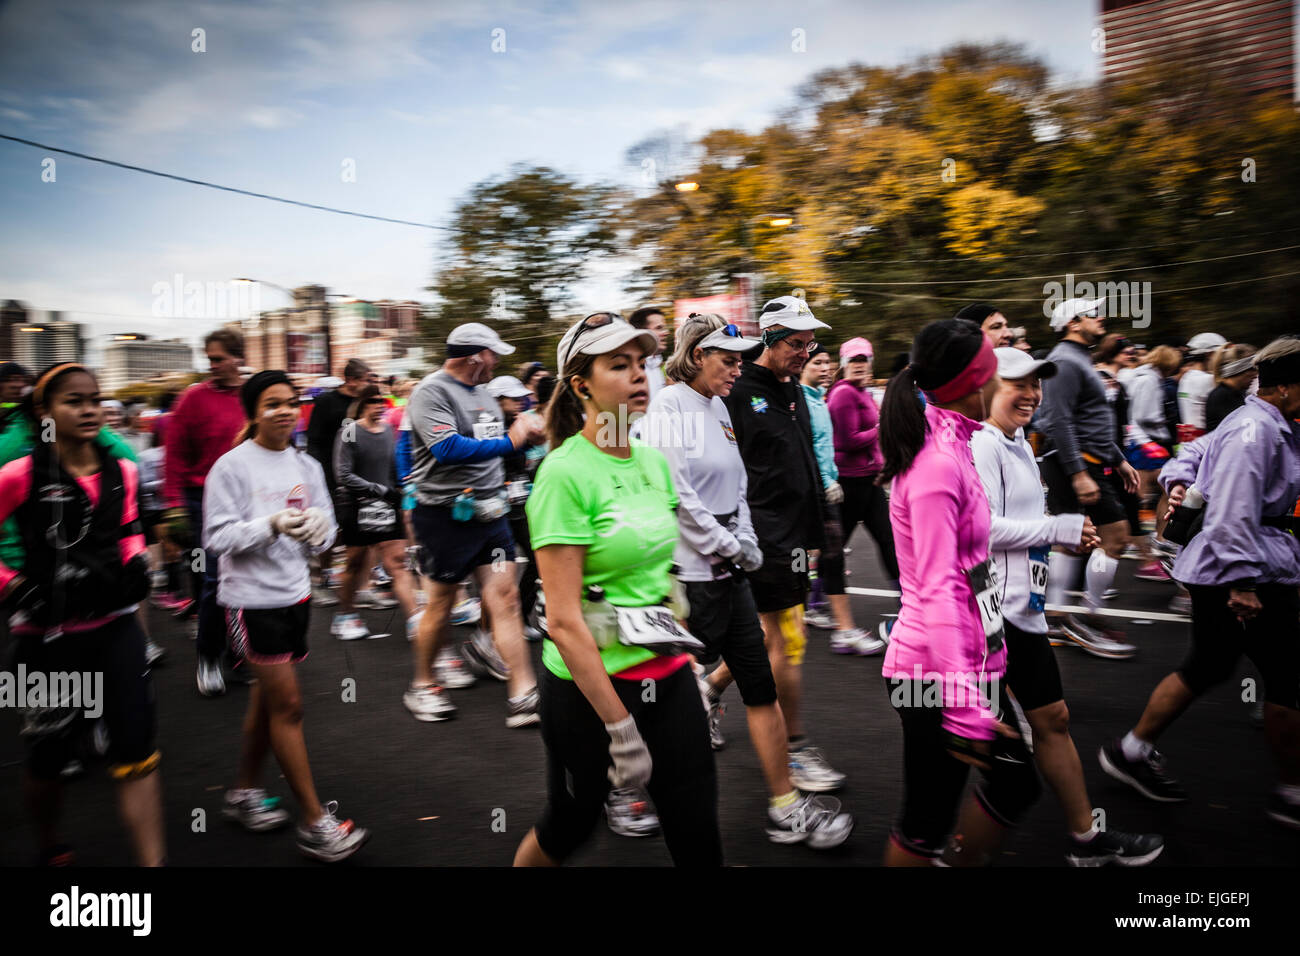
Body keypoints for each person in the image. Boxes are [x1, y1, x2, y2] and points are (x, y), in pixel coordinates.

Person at [513, 313, 722, 866]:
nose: (638, 377)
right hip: (590, 692)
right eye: (618, 365)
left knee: (698, 829)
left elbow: (661, 580)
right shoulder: (563, 474)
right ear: (581, 384)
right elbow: (561, 620)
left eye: (640, 364)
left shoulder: (654, 461)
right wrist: (620, 725)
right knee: (570, 827)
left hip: (668, 675)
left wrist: (691, 661)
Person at [645, 313, 854, 848]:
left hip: (732, 569)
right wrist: (726, 543)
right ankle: (623, 784)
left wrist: (744, 537)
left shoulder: (718, 406)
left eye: (741, 359)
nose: (738, 369)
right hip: (689, 577)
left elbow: (737, 481)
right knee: (660, 703)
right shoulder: (670, 405)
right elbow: (677, 492)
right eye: (728, 359)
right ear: (696, 356)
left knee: (759, 684)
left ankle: (785, 806)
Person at [973, 347, 1165, 865]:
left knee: (1054, 719)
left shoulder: (1020, 446)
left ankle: (1087, 839)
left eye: (1038, 386)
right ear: (988, 385)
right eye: (1020, 384)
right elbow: (980, 530)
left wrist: (1058, 540)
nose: (1032, 395)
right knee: (998, 759)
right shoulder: (982, 446)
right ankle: (945, 851)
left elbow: (1020, 531)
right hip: (990, 620)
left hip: (1025, 613)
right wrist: (1054, 528)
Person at [1100, 337, 1300, 829]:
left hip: (1238, 564)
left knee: (1210, 663)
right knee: (1286, 674)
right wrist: (1243, 583)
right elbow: (1233, 512)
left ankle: (1131, 750)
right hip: (1245, 566)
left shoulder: (1260, 419)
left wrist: (1177, 483)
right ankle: (1292, 791)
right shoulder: (1258, 429)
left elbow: (1194, 452)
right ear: (1286, 388)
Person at [877, 318, 1040, 866]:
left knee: (1013, 787)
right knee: (925, 820)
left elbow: (970, 571)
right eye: (998, 368)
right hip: (932, 677)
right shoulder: (937, 466)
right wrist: (964, 701)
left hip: (967, 665)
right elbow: (941, 587)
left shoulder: (957, 440)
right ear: (978, 381)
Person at [0, 363, 164, 865]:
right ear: (43, 412)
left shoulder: (125, 470)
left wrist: (138, 561)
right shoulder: (18, 474)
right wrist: (16, 587)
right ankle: (49, 843)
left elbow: (132, 527)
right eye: (74, 401)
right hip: (45, 638)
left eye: (94, 398)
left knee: (137, 754)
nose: (90, 408)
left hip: (115, 630)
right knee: (48, 761)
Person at [203, 370, 368, 861]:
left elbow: (327, 532)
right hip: (249, 600)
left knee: (266, 701)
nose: (283, 411)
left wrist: (319, 530)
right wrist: (271, 525)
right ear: (253, 412)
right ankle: (316, 822)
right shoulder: (232, 467)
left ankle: (242, 793)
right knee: (289, 707)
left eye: (291, 403)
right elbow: (215, 538)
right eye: (272, 403)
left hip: (295, 596)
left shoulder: (306, 465)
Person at [723, 295, 848, 793]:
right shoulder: (738, 389)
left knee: (768, 642)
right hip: (764, 537)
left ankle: (706, 691)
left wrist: (822, 525)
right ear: (770, 340)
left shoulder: (791, 387)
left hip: (798, 535)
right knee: (789, 642)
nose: (806, 352)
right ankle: (792, 752)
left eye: (811, 342)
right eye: (797, 343)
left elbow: (803, 459)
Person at [403, 322, 546, 727]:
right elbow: (447, 448)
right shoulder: (431, 391)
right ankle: (423, 685)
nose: (496, 361)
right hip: (444, 516)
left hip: (492, 515)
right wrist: (512, 441)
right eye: (492, 354)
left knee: (506, 598)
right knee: (441, 604)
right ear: (473, 356)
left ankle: (522, 694)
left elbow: (495, 447)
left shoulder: (483, 393)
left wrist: (530, 439)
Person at [1037, 298, 1141, 659]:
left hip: (1092, 460)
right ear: (1073, 323)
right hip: (1076, 463)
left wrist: (1119, 459)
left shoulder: (1080, 359)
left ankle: (1062, 617)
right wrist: (1080, 474)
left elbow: (1092, 420)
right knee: (1113, 537)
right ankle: (1080, 617)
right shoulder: (1065, 361)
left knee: (1074, 541)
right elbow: (1059, 421)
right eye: (1094, 313)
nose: (1102, 318)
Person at [162, 328, 248, 696]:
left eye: (218, 358)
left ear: (237, 358)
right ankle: (208, 657)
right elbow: (174, 457)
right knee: (215, 582)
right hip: (203, 500)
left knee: (245, 578)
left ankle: (240, 654)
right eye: (209, 359)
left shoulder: (253, 395)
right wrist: (173, 507)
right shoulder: (192, 399)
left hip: (247, 497)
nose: (211, 365)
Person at [827, 335, 898, 648]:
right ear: (844, 365)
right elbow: (848, 440)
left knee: (888, 539)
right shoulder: (843, 394)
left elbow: (869, 441)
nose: (859, 366)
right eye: (853, 361)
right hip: (849, 482)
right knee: (833, 549)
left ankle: (909, 604)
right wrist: (881, 426)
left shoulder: (863, 393)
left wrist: (882, 467)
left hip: (868, 480)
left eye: (863, 360)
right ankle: (822, 611)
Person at [331, 384, 417, 641]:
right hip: (357, 505)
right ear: (362, 403)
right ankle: (346, 614)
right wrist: (377, 489)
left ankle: (415, 618)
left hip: (387, 504)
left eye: (382, 401)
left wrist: (400, 494)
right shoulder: (349, 431)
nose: (380, 405)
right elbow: (343, 474)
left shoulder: (389, 430)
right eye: (374, 401)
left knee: (398, 562)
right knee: (355, 562)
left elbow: (392, 467)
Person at [305, 359, 377, 606]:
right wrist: (322, 476)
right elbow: (313, 441)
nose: (370, 383)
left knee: (366, 531)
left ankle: (364, 587)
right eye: (367, 379)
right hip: (329, 476)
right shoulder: (327, 402)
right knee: (329, 531)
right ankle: (322, 580)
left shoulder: (364, 405)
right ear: (351, 380)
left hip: (360, 477)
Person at [1126, 344, 1183, 581]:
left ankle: (1155, 543)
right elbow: (1143, 415)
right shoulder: (1149, 380)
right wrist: (1162, 422)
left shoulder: (1143, 375)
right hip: (1147, 442)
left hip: (1143, 441)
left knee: (1154, 492)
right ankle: (1151, 547)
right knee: (1149, 493)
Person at [1177, 332, 1228, 443]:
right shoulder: (1207, 380)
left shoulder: (1186, 377)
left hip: (1188, 442)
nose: (1223, 359)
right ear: (1209, 354)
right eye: (1221, 355)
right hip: (1206, 441)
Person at [1205, 344, 1257, 434]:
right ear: (1237, 369)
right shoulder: (1221, 396)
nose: (1256, 374)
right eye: (1252, 369)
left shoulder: (1237, 393)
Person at [628, 306, 669, 404]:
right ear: (642, 333)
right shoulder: (631, 372)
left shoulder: (656, 364)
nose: (666, 333)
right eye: (659, 328)